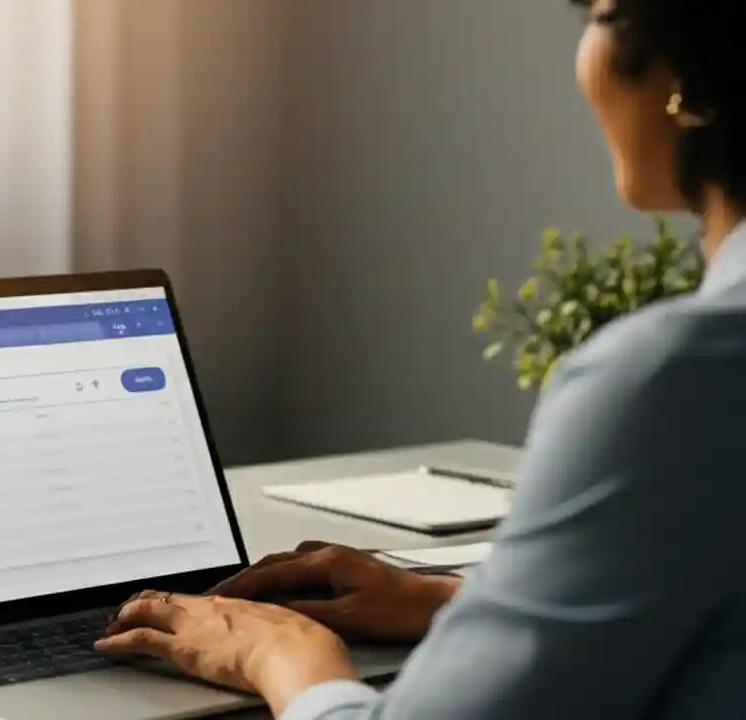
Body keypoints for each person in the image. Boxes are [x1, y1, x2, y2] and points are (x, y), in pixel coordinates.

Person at [94, 0, 746, 717]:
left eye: (597, 13)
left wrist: (274, 651)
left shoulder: (675, 379)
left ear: (684, 77)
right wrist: (459, 602)